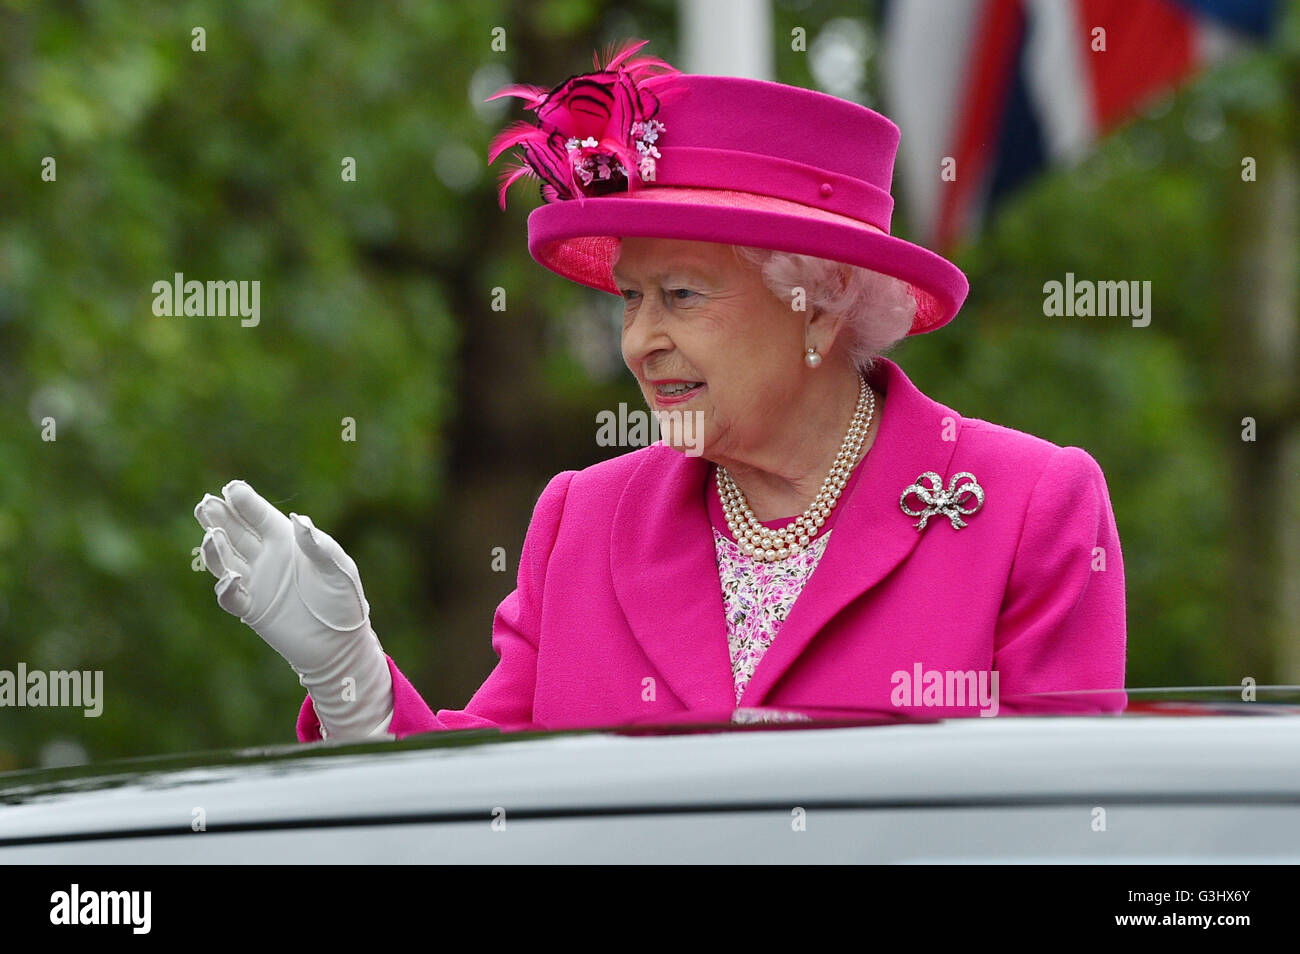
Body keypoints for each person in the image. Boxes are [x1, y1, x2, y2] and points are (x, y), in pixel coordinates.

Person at [193, 40, 1126, 742]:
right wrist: (348, 675)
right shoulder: (584, 521)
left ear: (821, 298)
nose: (640, 342)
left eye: (681, 294)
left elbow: (1074, 831)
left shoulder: (1026, 509)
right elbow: (479, 817)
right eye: (631, 298)